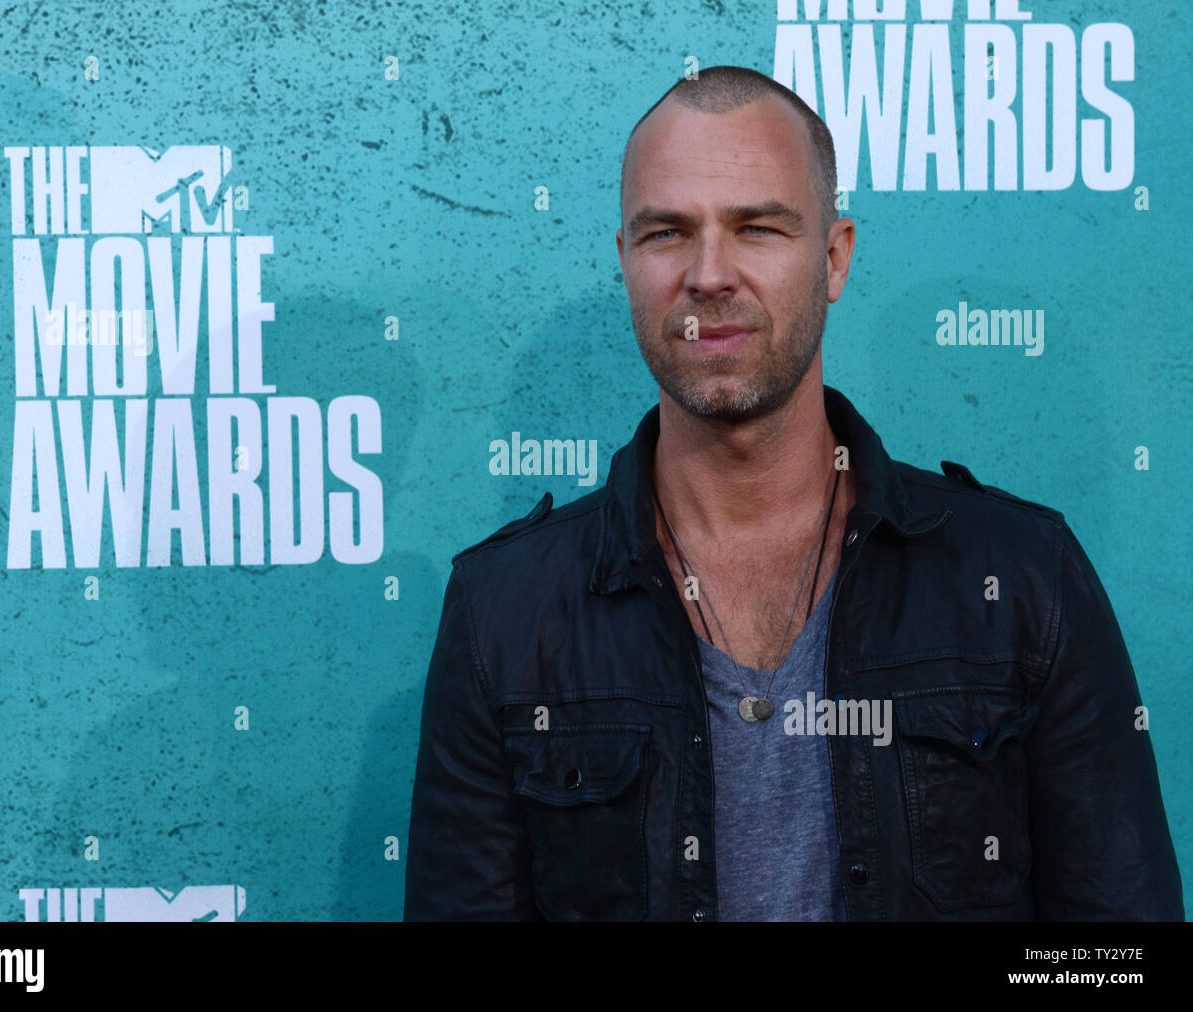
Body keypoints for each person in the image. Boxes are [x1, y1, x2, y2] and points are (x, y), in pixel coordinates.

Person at [403, 65, 1184, 921]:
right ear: (625, 262)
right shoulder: (504, 612)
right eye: (667, 232)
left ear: (835, 256)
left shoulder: (1023, 581)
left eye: (758, 228)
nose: (709, 275)